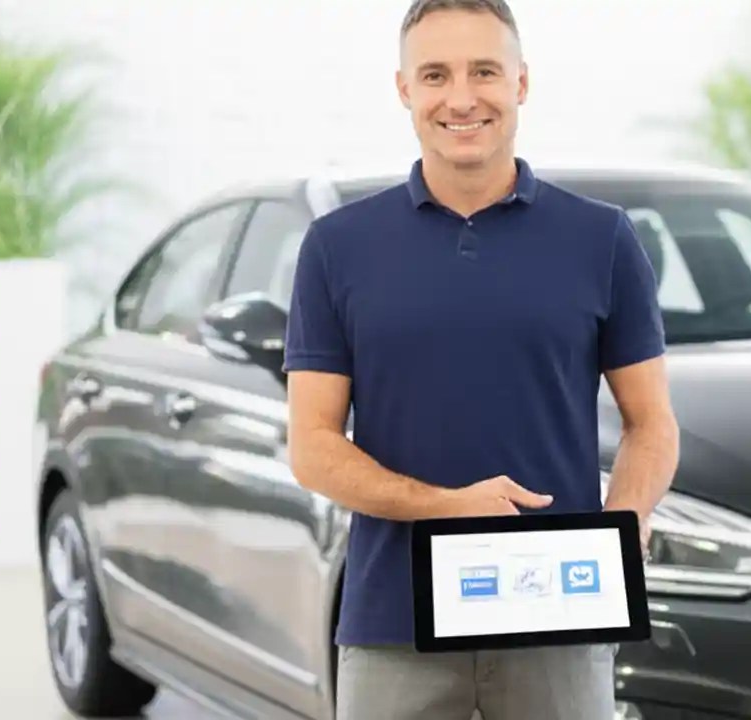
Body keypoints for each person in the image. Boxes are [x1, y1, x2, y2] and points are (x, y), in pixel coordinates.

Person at [282, 0, 681, 718]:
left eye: (484, 72)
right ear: (404, 90)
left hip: (559, 625)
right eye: (435, 75)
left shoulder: (601, 240)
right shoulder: (338, 248)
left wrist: (624, 523)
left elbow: (651, 424)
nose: (461, 98)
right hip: (391, 627)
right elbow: (312, 447)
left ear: (521, 83)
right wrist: (449, 508)